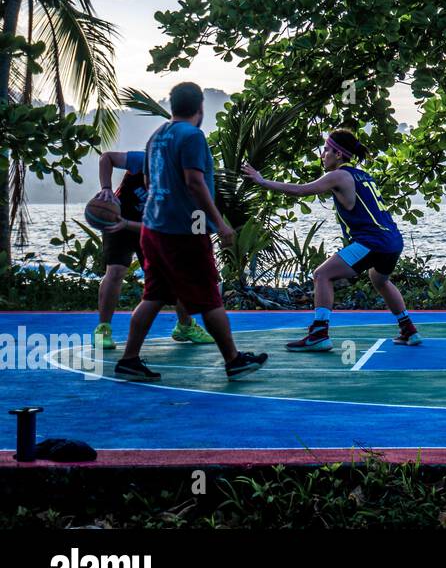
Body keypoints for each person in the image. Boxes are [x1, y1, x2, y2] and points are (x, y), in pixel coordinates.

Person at [113, 82, 267, 381]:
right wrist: (219, 224)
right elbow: (195, 182)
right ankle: (233, 360)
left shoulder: (157, 135)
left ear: (172, 106)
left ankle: (129, 359)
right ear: (200, 108)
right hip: (184, 231)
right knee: (209, 295)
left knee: (154, 295)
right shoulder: (192, 136)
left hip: (153, 228)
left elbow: (146, 182)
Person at [241, 129, 420, 351]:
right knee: (379, 279)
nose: (322, 154)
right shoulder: (363, 175)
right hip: (392, 240)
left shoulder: (338, 175)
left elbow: (300, 190)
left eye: (326, 150)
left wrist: (262, 181)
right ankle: (409, 330)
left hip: (373, 242)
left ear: (338, 154)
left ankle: (319, 333)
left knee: (322, 274)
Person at [92, 149, 213, 349]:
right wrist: (106, 188)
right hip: (116, 220)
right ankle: (103, 329)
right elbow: (107, 157)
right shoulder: (145, 159)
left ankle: (185, 326)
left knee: (178, 274)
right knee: (115, 270)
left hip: (147, 227)